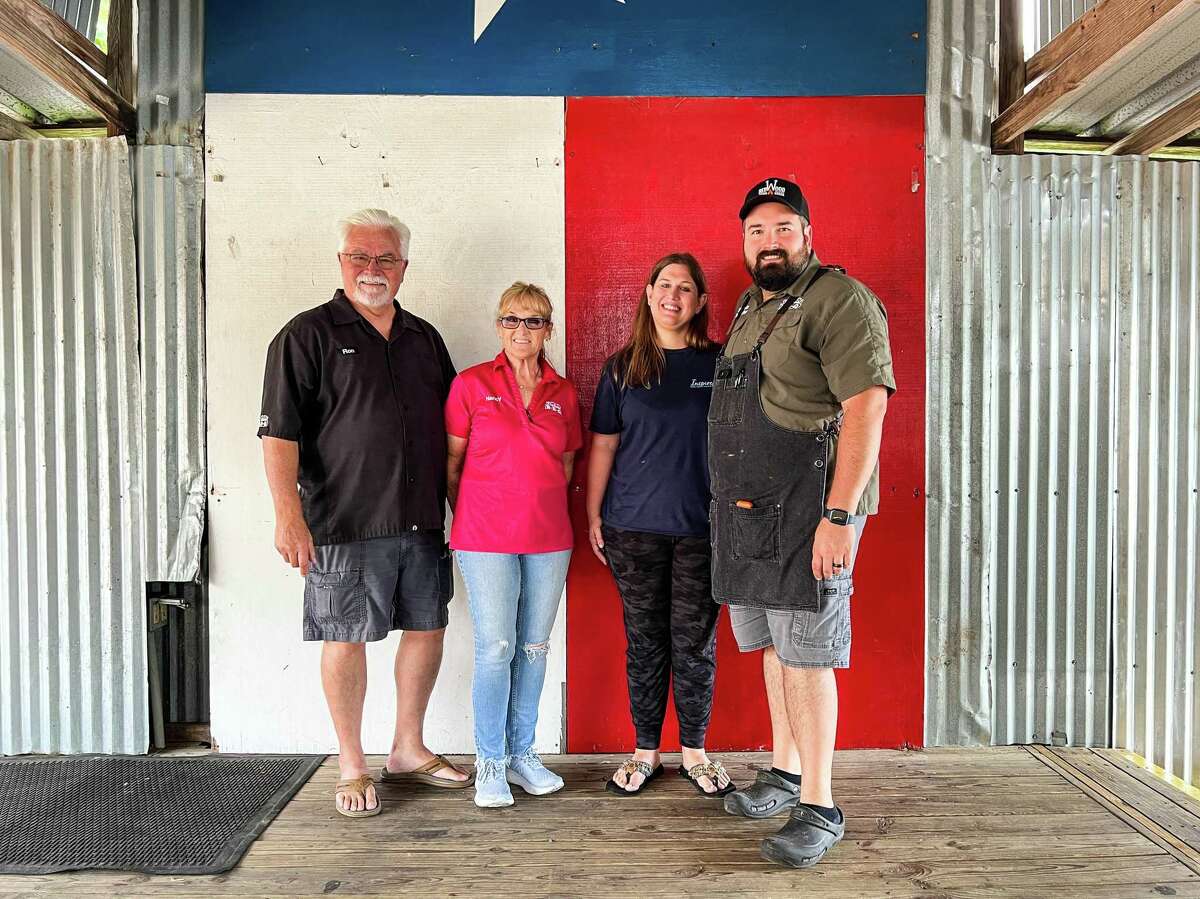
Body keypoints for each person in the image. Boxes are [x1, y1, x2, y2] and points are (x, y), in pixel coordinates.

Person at [258, 208, 471, 819]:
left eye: (384, 259)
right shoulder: (305, 335)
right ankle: (351, 763)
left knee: (427, 629)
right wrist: (287, 515)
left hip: (422, 521)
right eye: (359, 256)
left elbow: (456, 433)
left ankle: (407, 748)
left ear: (403, 268)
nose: (371, 269)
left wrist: (466, 512)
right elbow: (278, 435)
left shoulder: (425, 339)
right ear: (341, 261)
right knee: (344, 637)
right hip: (345, 525)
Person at [711, 179, 894, 867]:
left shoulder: (839, 300)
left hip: (811, 511)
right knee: (769, 645)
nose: (769, 241)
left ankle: (819, 802)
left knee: (806, 652)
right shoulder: (749, 308)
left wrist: (839, 515)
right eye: (757, 231)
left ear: (808, 234)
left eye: (783, 227)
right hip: (750, 512)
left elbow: (867, 406)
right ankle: (784, 771)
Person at [585, 253, 734, 798]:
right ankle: (645, 750)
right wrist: (593, 512)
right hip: (633, 530)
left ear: (699, 302)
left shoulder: (722, 364)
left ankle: (694, 750)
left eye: (686, 288)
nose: (674, 296)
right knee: (645, 642)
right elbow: (604, 443)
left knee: (694, 645)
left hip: (703, 530)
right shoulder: (622, 368)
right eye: (664, 285)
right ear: (648, 293)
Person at [445, 282, 582, 808]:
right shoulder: (471, 385)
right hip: (484, 538)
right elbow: (453, 466)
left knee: (534, 647)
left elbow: (565, 467)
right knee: (496, 648)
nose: (520, 330)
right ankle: (490, 764)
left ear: (549, 329)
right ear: (498, 325)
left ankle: (523, 755)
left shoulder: (564, 393)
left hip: (549, 537)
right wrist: (478, 513)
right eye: (511, 320)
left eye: (533, 321)